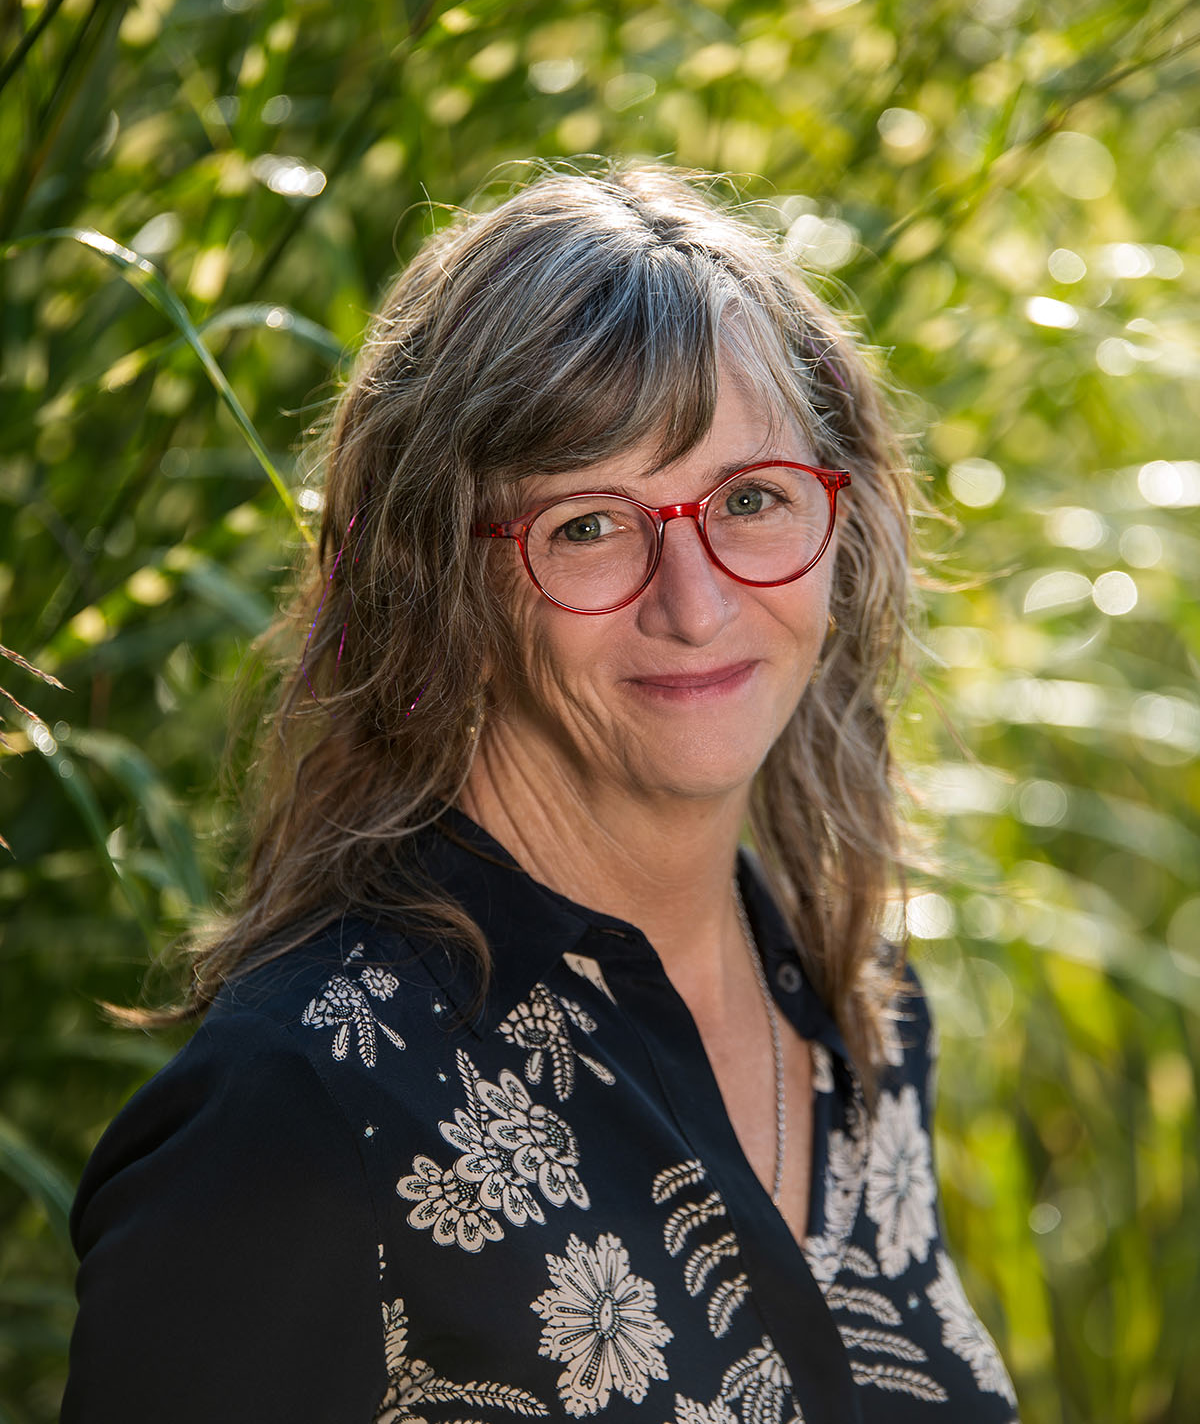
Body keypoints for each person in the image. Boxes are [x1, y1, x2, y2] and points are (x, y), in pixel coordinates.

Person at [63, 164, 1019, 1423]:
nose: (699, 602)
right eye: (588, 524)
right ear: (438, 580)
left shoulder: (864, 1010)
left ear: (841, 527)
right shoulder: (307, 1109)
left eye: (751, 500)